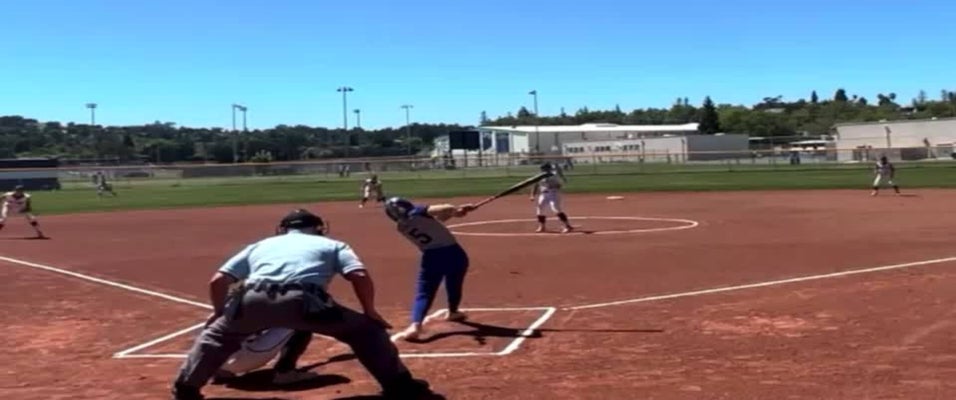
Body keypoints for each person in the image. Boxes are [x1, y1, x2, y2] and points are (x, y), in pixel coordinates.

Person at [171, 209, 433, 400]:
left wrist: (220, 314)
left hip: (252, 297)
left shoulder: (261, 244)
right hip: (304, 301)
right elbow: (359, 275)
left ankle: (186, 387)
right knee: (366, 332)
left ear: (283, 229)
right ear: (318, 227)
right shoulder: (332, 244)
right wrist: (369, 312)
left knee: (216, 337)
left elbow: (218, 280)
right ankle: (399, 386)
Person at [383, 197, 474, 341]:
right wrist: (453, 208)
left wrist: (457, 212)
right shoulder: (418, 212)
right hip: (454, 254)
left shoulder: (401, 226)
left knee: (424, 292)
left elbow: (434, 223)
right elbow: (443, 208)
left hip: (431, 257)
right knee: (454, 283)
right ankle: (453, 311)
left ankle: (415, 326)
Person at [530, 163, 574, 233]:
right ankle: (542, 227)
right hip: (544, 194)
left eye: (545, 169)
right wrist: (532, 195)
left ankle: (567, 226)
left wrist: (558, 183)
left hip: (554, 193)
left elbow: (561, 182)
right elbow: (535, 186)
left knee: (555, 209)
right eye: (543, 169)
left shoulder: (554, 175)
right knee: (540, 210)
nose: (543, 170)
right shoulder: (539, 176)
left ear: (549, 169)